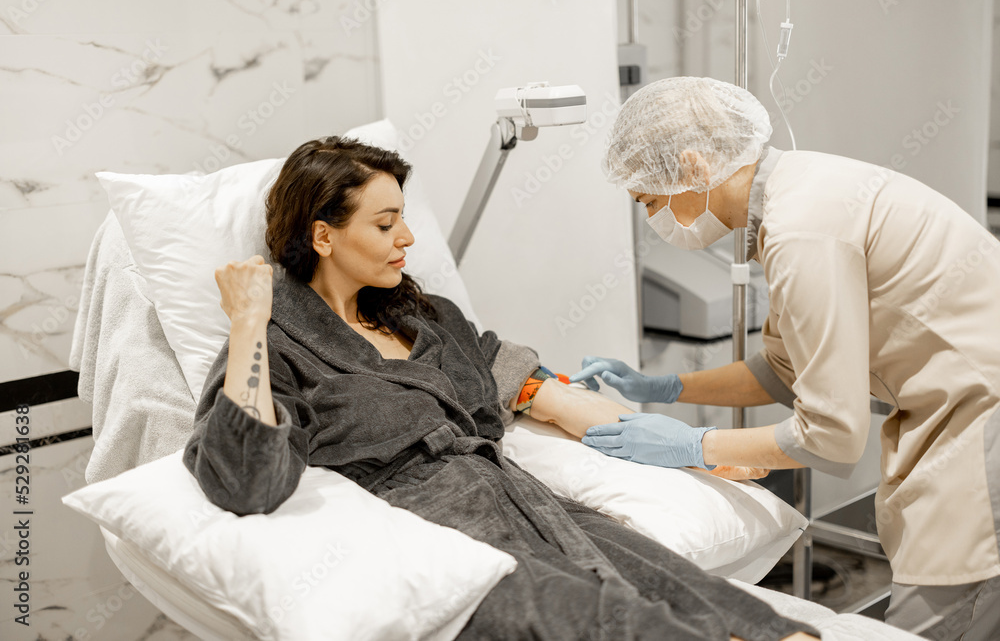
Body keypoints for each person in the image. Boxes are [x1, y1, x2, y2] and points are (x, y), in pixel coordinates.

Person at [182, 135, 820, 640]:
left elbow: (535, 390)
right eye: (384, 225)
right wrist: (247, 321)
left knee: (729, 607)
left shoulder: (426, 317)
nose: (407, 238)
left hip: (531, 502)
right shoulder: (278, 344)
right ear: (323, 235)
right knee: (619, 625)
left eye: (404, 218)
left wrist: (695, 448)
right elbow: (246, 479)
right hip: (441, 532)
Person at [570, 76, 1000, 641]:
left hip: (981, 421)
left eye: (650, 201)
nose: (654, 218)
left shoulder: (802, 233)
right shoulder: (795, 195)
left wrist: (693, 446)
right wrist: (665, 387)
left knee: (937, 613)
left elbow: (831, 434)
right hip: (958, 405)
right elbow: (783, 368)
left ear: (695, 168)